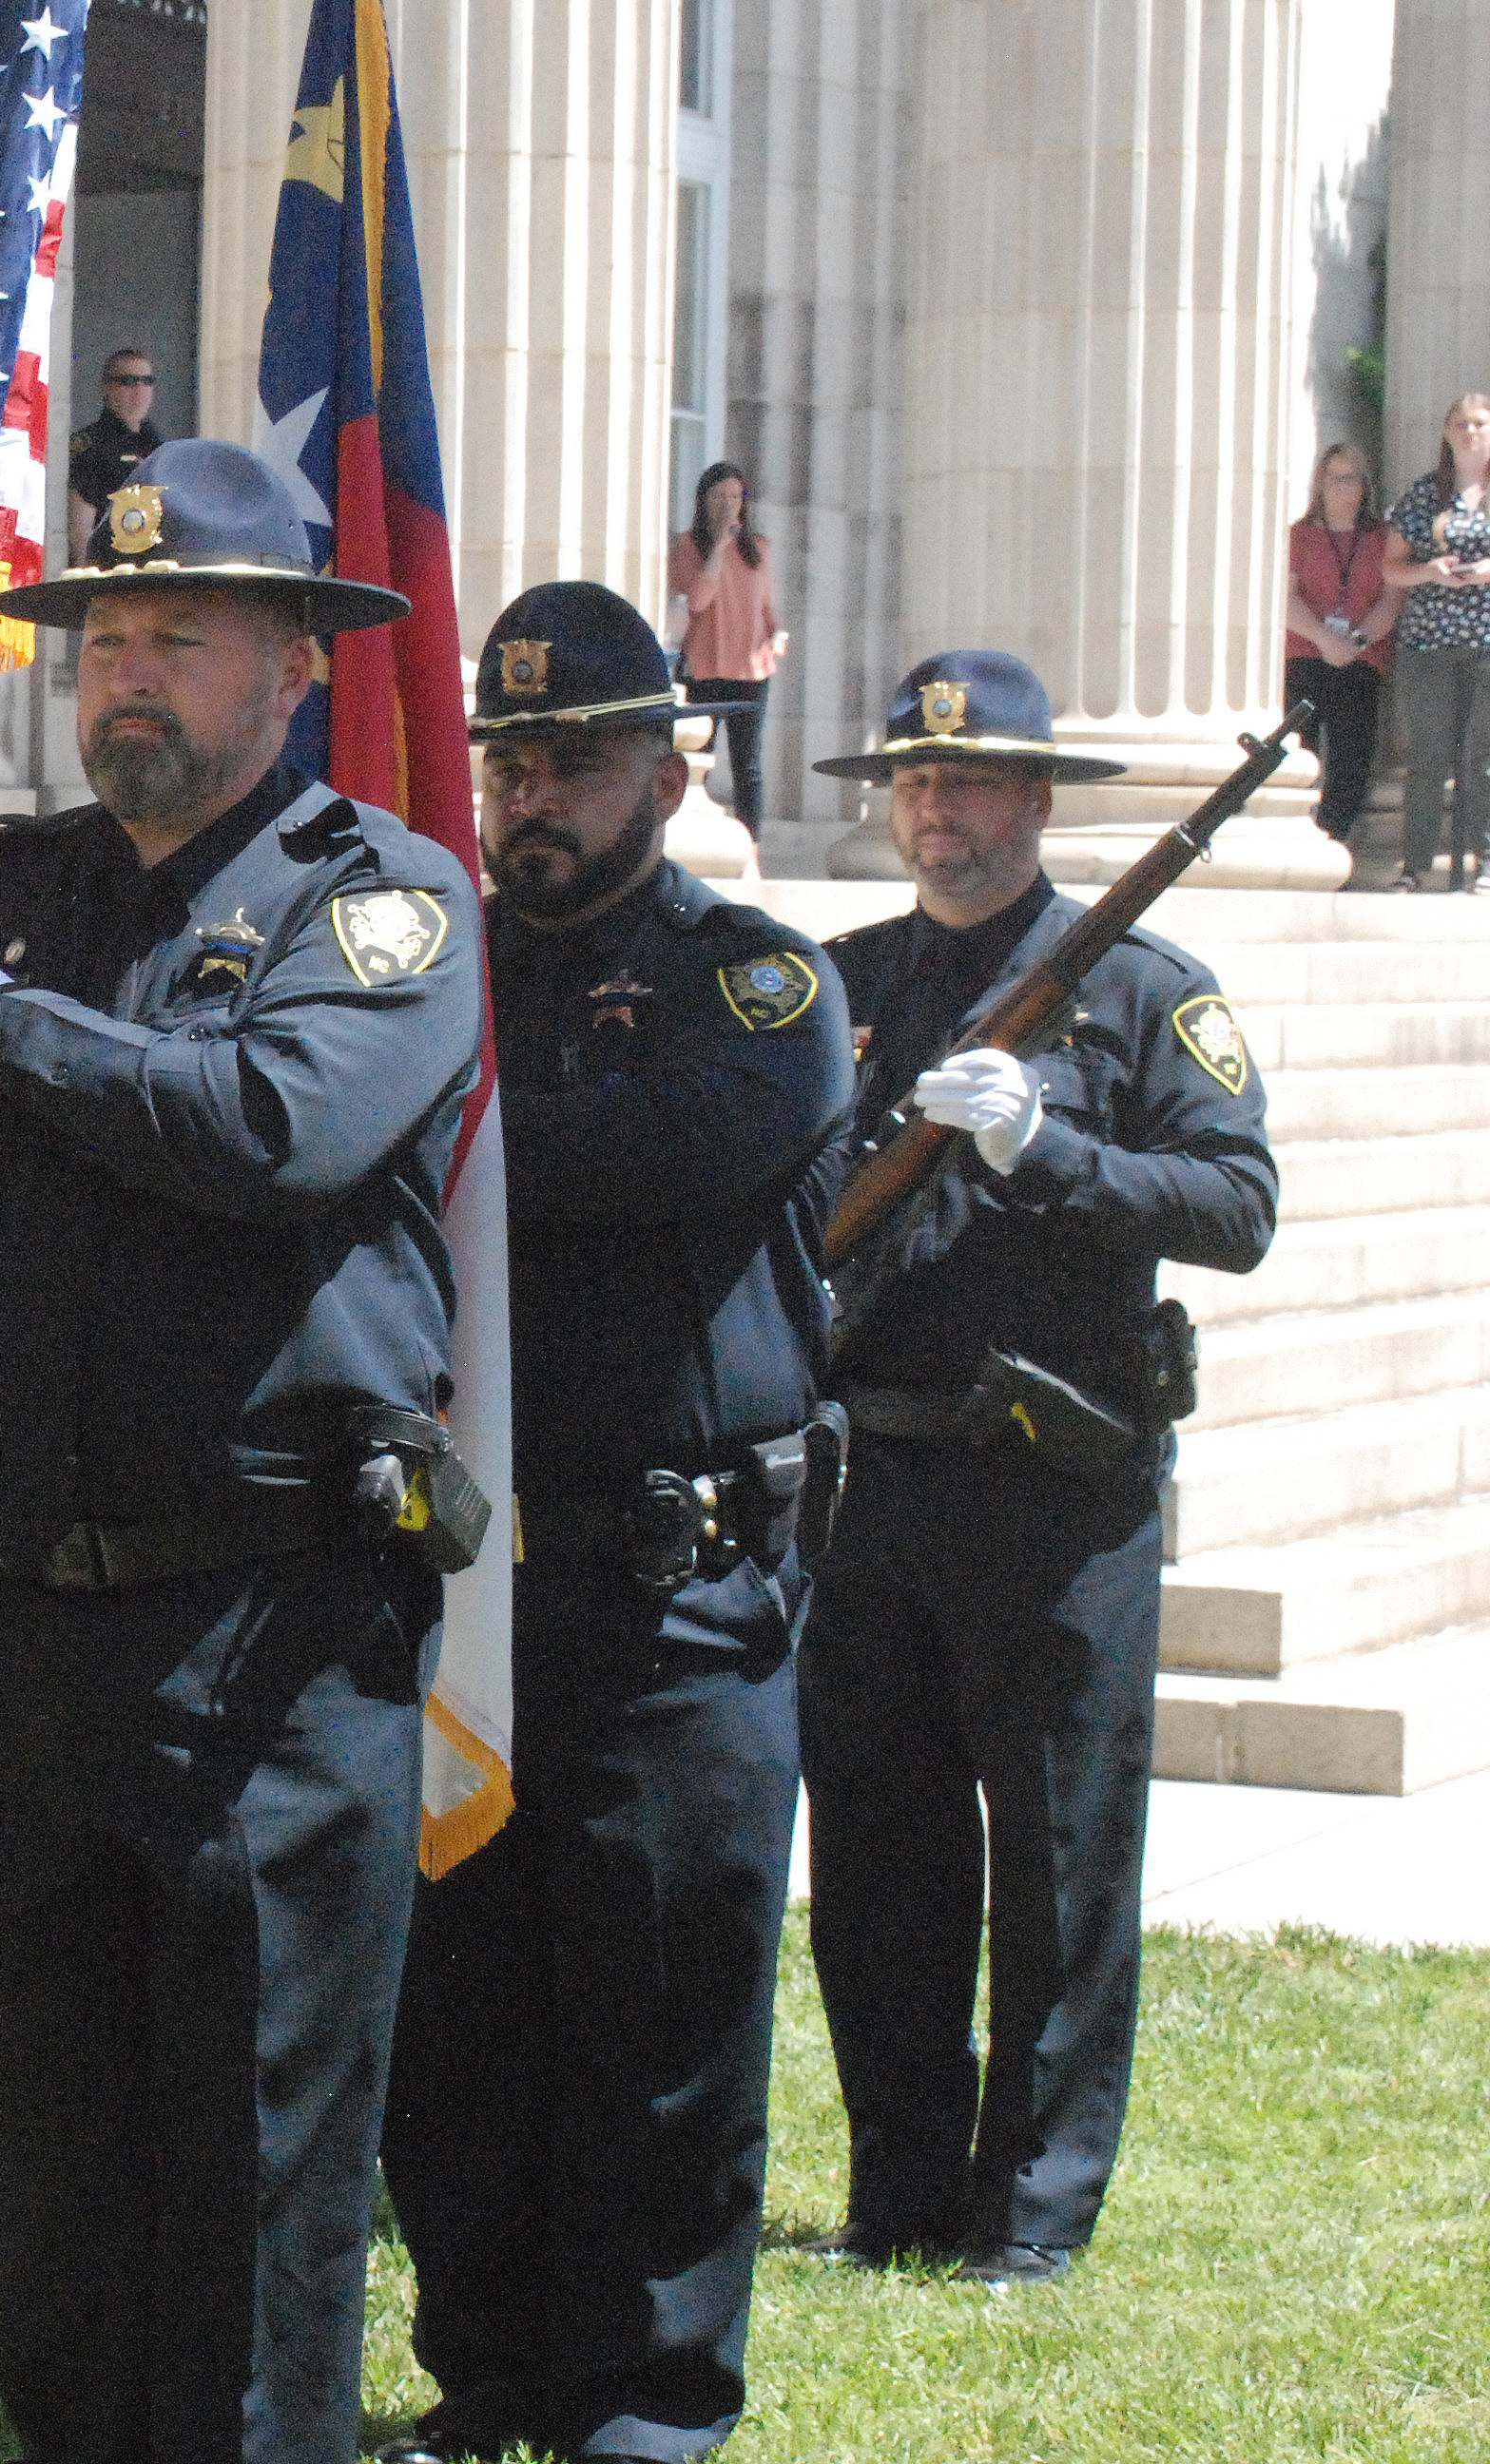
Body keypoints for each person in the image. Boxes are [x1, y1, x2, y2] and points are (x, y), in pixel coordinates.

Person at [0, 437, 486, 2464]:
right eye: (103, 642)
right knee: (41, 2150)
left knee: (251, 2168)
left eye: (181, 637)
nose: (128, 676)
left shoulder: (382, 898)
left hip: (266, 1637)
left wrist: (3, 1035)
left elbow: (277, 1128)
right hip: (7, 1628)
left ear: (293, 669)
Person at [377, 584, 847, 2464]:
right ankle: (487, 2377)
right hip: (475, 1586)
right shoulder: (434, 972)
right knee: (462, 2023)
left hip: (675, 1601)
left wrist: (409, 1130)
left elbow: (651, 1155)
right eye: (506, 762)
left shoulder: (760, 986)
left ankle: (646, 2406)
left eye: (574, 760)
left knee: (660, 2026)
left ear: (667, 770)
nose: (530, 796)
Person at [797, 654, 1275, 2290]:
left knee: (1060, 1859)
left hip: (1056, 1488)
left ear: (1038, 800)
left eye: (973, 779)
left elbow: (1236, 1207)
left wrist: (1046, 1148)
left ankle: (1035, 2212)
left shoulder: (1141, 992)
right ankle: (899, 2194)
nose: (937, 806)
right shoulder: (847, 982)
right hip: (874, 1480)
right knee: (880, 1858)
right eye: (916, 779)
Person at [1385, 392, 1490, 889]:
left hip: (1486, 642)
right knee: (1427, 757)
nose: (1470, 432)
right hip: (1429, 644)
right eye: (1461, 424)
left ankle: (1483, 861)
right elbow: (1391, 569)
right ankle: (1415, 867)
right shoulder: (1425, 494)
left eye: (1480, 423)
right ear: (1447, 433)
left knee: (1483, 759)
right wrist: (1431, 571)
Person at [1282, 439, 1400, 853]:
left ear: (1365, 485)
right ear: (1320, 482)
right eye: (1336, 478)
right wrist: (1323, 638)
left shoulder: (1382, 538)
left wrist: (1356, 640)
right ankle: (1294, 841)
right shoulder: (1300, 536)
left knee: (1353, 759)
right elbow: (1284, 598)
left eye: (1353, 478)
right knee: (1298, 752)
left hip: (1361, 658)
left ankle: (1334, 843)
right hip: (1305, 655)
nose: (1345, 487)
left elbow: (1390, 600)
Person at [666, 463, 788, 840]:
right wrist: (718, 547)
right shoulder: (688, 547)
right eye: (719, 496)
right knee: (696, 758)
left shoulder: (759, 548)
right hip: (704, 668)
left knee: (748, 766)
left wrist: (779, 635)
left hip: (750, 670)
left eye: (736, 496)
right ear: (703, 500)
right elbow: (696, 602)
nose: (728, 504)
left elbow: (765, 606)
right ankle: (689, 840)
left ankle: (751, 849)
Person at [66, 347, 165, 551]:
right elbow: (80, 533)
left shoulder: (159, 447)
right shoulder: (91, 447)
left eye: (147, 381)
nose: (139, 390)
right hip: (110, 559)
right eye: (128, 381)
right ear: (107, 388)